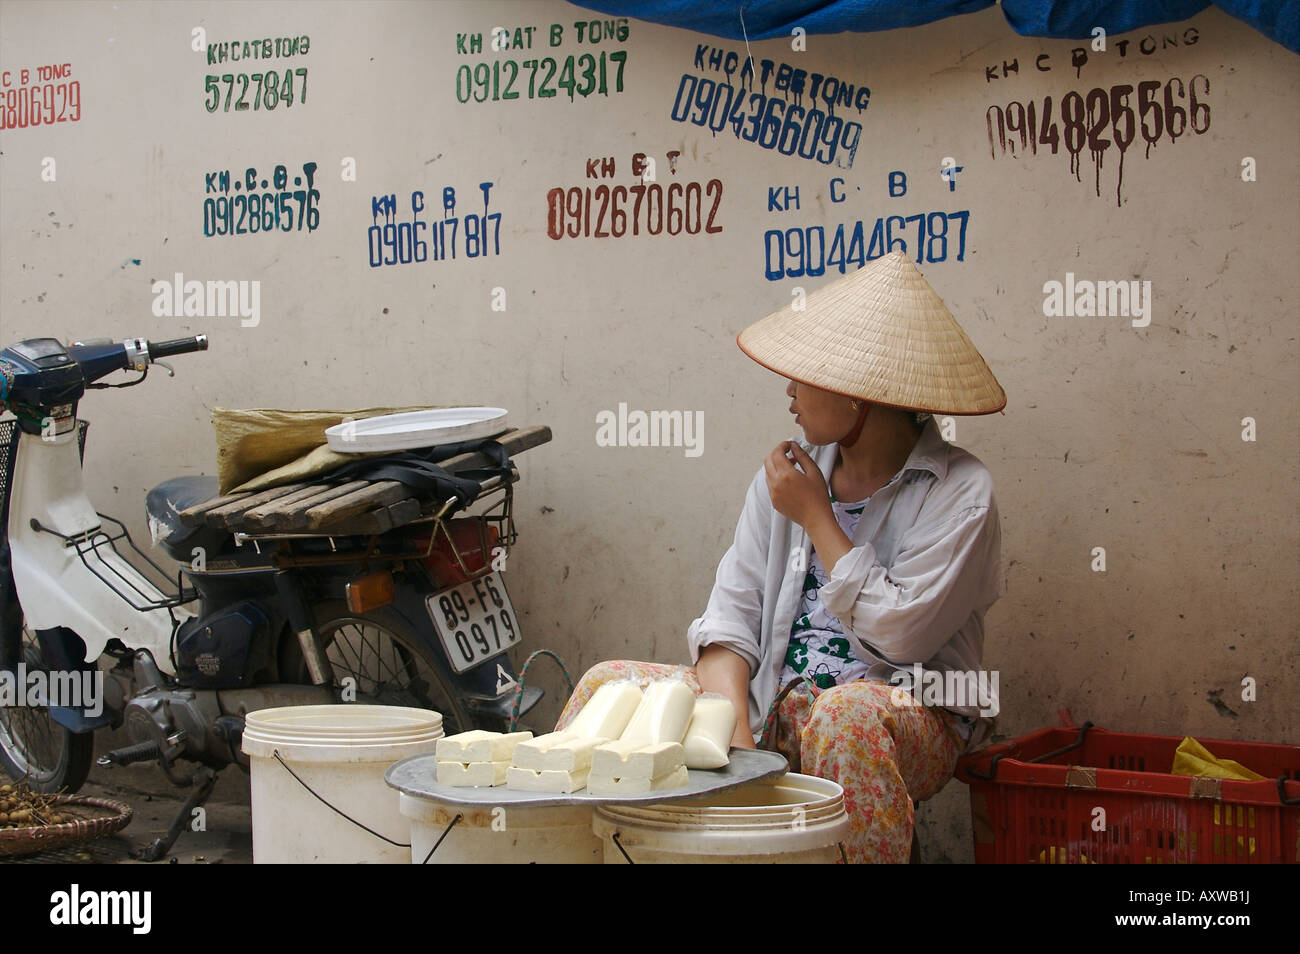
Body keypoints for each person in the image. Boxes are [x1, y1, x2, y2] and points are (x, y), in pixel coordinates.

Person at [557, 251, 1006, 862]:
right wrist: (737, 751)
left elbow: (900, 636)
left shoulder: (959, 491)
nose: (789, 391)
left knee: (844, 718)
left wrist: (818, 518)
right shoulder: (785, 475)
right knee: (606, 685)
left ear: (859, 394)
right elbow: (729, 622)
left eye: (806, 374)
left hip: (903, 710)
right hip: (772, 704)